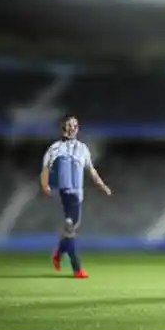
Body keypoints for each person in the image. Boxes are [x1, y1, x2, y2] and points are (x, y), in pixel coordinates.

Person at [40, 115, 111, 279]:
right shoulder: (55, 148)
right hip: (65, 192)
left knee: (71, 228)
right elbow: (45, 168)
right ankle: (77, 268)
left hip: (78, 195)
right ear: (63, 127)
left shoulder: (83, 149)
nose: (72, 128)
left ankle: (58, 253)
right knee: (70, 226)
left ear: (78, 129)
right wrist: (45, 185)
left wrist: (102, 185)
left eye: (75, 125)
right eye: (69, 125)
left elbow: (91, 170)